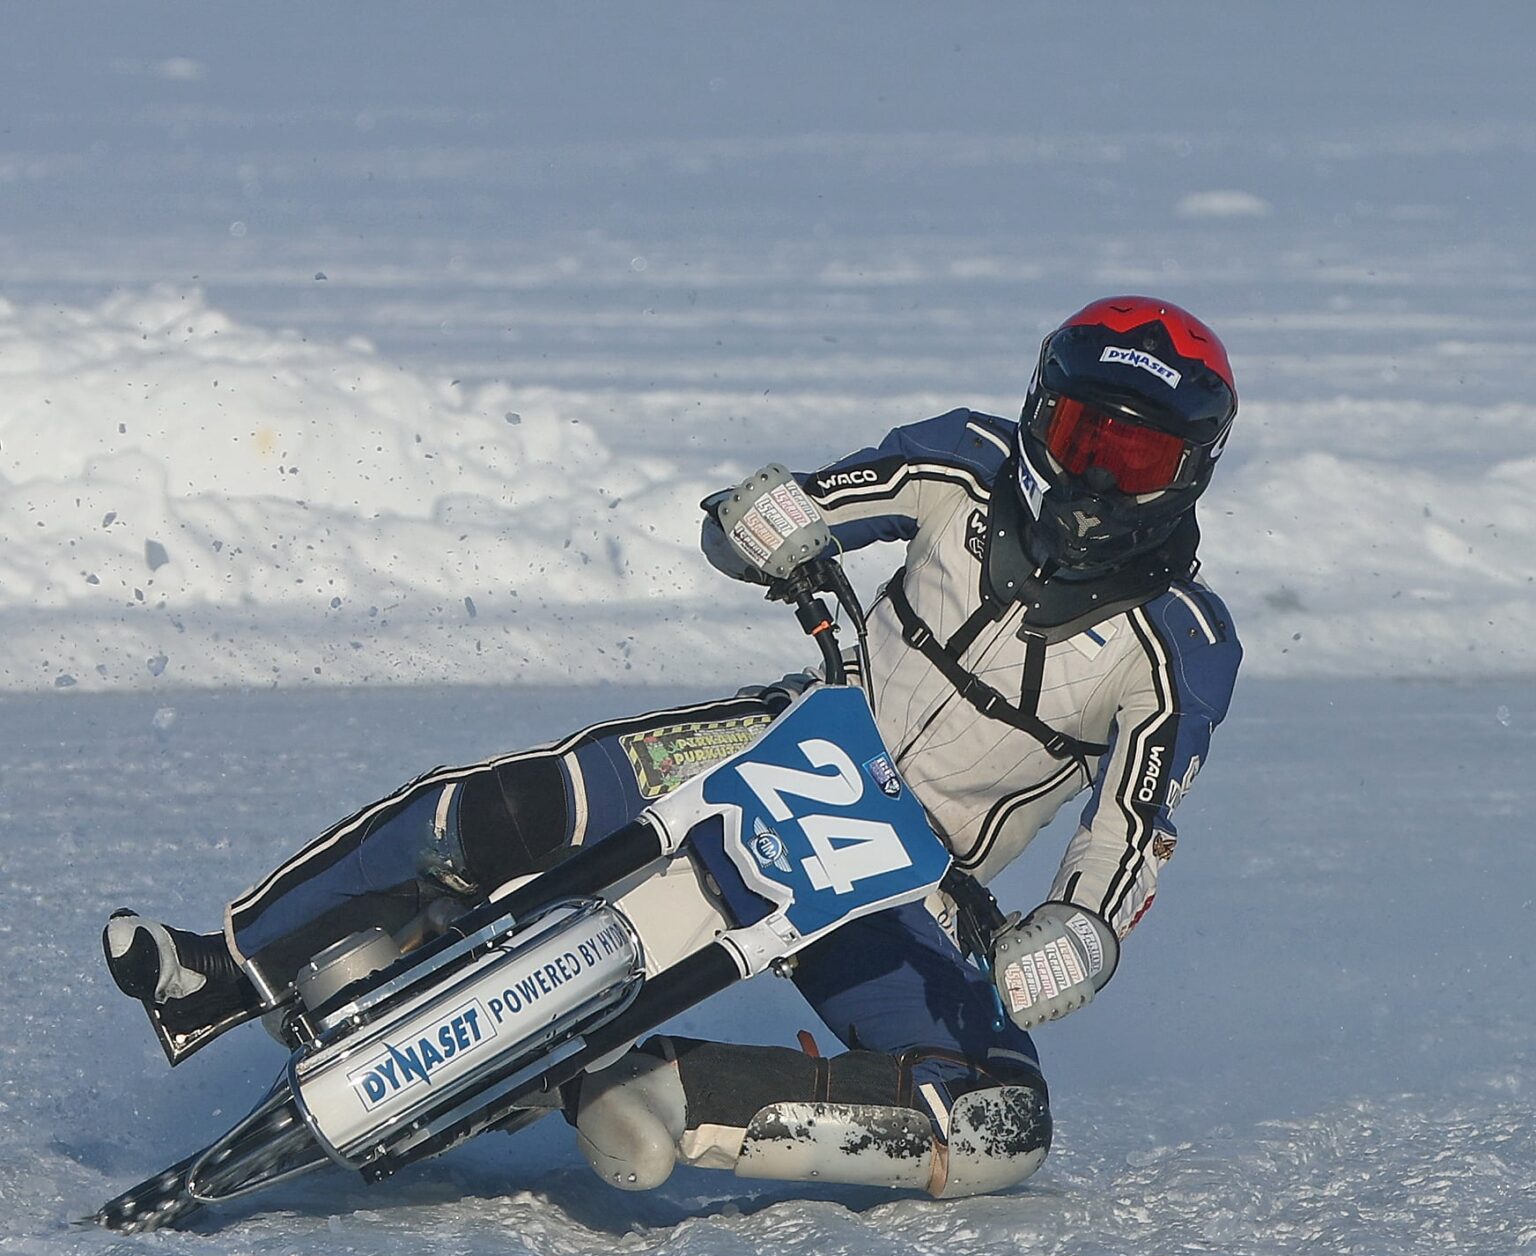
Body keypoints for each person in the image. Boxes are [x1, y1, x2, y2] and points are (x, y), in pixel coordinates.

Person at [104, 295, 1241, 1201]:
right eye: (1082, 439)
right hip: (780, 742)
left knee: (1002, 1119)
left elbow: (1135, 822)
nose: (1096, 482)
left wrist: (1082, 930)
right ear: (1039, 415)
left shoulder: (1180, 643)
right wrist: (761, 519)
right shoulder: (962, 461)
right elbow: (805, 504)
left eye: (1135, 461)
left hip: (911, 885)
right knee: (513, 806)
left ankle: (653, 1088)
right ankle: (231, 968)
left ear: (1189, 473)